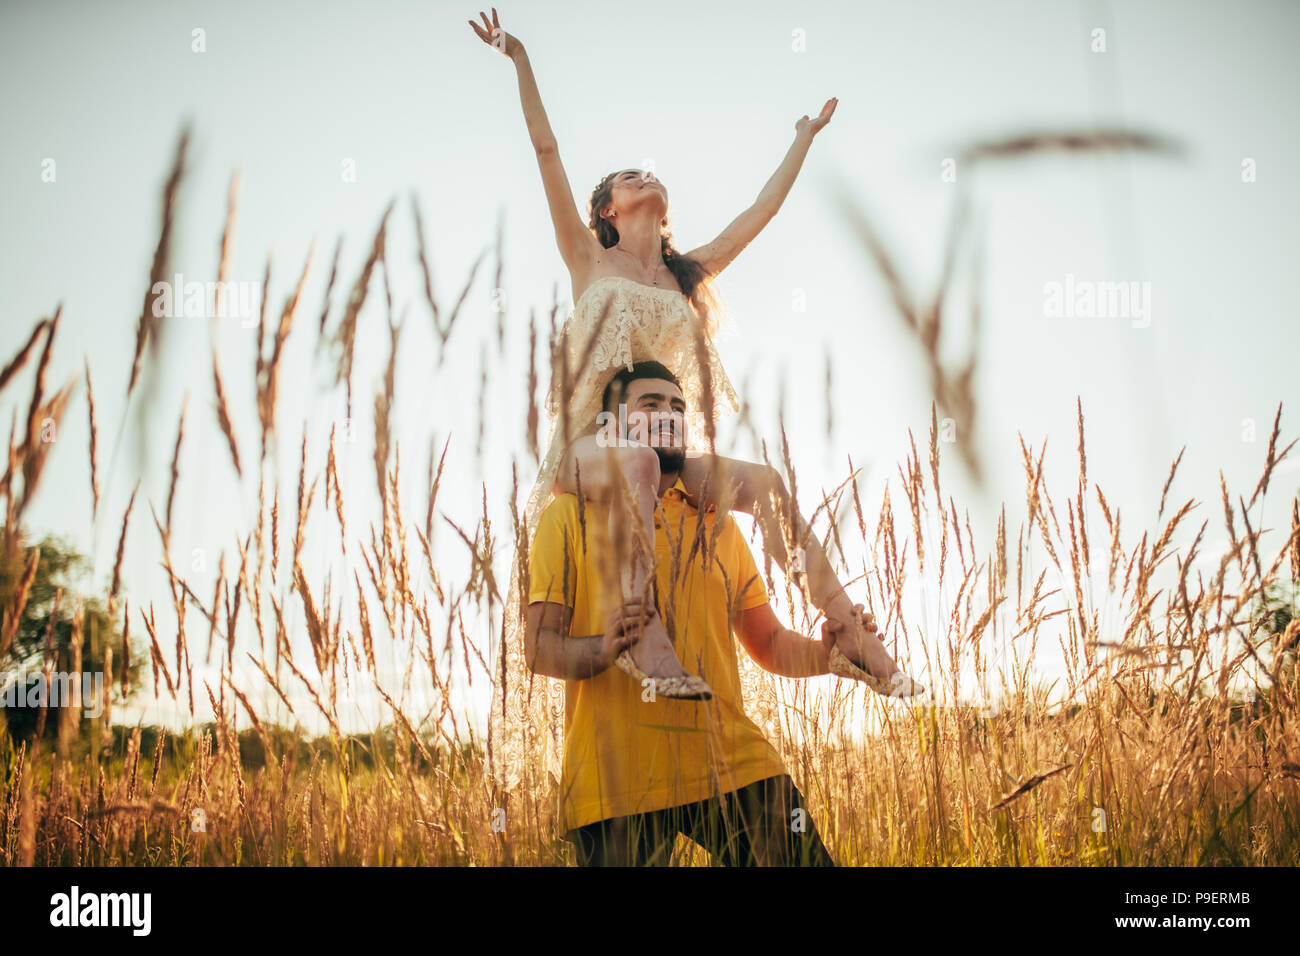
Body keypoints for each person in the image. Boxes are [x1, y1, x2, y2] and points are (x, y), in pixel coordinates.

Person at [468, 9, 924, 789]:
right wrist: (519, 58)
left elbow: (760, 214)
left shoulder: (681, 276)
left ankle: (853, 636)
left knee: (766, 485)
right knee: (639, 461)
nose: (642, 176)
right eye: (625, 177)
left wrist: (803, 139)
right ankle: (648, 645)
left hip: (661, 451)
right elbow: (546, 148)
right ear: (606, 209)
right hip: (591, 451)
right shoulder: (589, 261)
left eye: (648, 174)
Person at [526, 361, 883, 865]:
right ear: (611, 429)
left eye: (678, 407)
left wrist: (828, 655)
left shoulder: (715, 524)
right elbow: (539, 649)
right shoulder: (567, 517)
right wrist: (605, 649)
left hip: (731, 761)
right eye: (650, 406)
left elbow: (768, 643)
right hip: (614, 781)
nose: (669, 415)